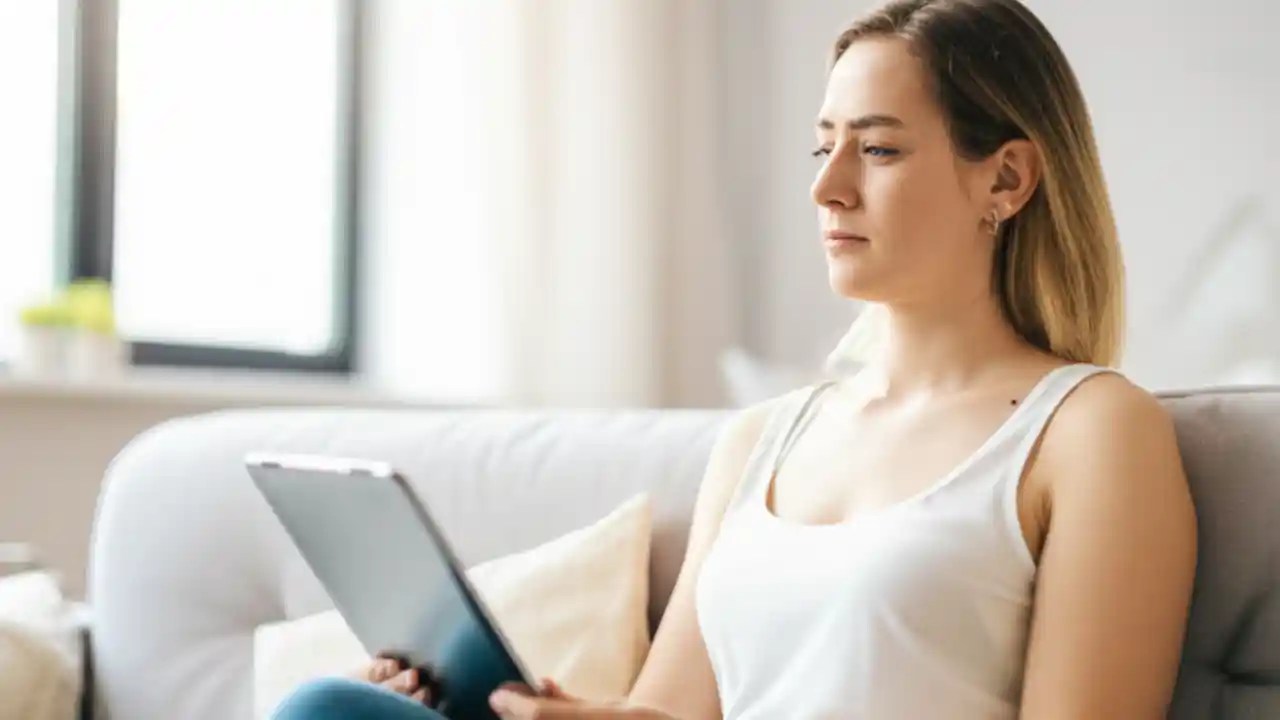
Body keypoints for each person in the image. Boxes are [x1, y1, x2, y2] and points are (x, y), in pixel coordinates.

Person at [273, 0, 1198, 717]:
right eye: (822, 146)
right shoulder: (764, 440)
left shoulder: (1092, 432)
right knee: (337, 709)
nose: (826, 187)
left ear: (1005, 178)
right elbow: (663, 717)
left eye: (876, 148)